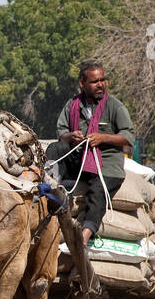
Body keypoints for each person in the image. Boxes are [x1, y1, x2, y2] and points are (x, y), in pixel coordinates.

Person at [55, 62, 136, 244]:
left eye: (103, 80)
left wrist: (103, 138)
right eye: (95, 81)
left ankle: (82, 240)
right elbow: (61, 133)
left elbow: (128, 136)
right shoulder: (72, 105)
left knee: (97, 192)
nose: (101, 84)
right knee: (55, 151)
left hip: (106, 166)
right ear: (82, 84)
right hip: (80, 161)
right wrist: (71, 136)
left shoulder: (115, 106)